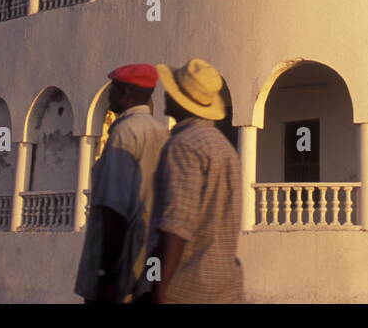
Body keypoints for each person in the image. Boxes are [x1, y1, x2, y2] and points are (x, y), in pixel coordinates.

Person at [147, 58, 244, 304]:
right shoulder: (223, 146)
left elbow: (177, 225)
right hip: (224, 286)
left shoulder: (184, 145)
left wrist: (159, 290)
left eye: (173, 91)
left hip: (187, 287)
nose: (167, 95)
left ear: (182, 101)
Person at [73, 63, 169, 304]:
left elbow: (113, 210)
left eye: (112, 90)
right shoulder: (161, 132)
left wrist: (106, 273)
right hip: (151, 253)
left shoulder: (124, 132)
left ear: (125, 93)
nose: (109, 95)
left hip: (122, 258)